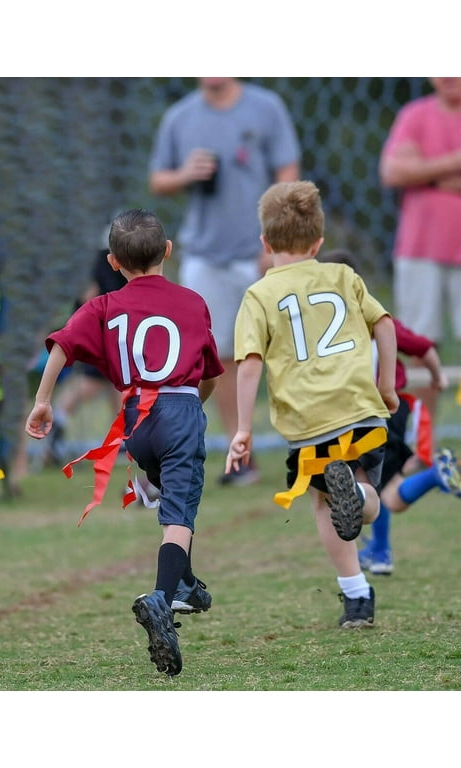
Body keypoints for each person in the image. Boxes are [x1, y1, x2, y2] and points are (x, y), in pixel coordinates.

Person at [25, 209, 223, 677]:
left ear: (113, 262)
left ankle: (186, 584)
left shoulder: (104, 305)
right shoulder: (192, 301)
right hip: (178, 412)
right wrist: (196, 405)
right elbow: (211, 372)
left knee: (168, 498)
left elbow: (61, 347)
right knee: (179, 517)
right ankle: (163, 598)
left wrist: (43, 402)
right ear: (168, 251)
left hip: (136, 421)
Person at [225, 181, 399, 629]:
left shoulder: (260, 295)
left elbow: (248, 364)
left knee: (324, 503)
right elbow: (385, 326)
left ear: (265, 244)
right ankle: (358, 497)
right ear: (319, 242)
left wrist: (242, 429)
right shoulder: (343, 276)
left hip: (310, 423)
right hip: (361, 409)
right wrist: (387, 387)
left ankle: (356, 596)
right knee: (364, 492)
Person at [148, 77, 301, 487]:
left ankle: (310, 444)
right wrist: (185, 174)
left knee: (290, 349)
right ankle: (241, 453)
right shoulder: (180, 116)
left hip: (261, 252)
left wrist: (276, 242)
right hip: (205, 256)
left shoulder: (266, 107)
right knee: (220, 357)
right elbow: (158, 180)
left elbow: (287, 173)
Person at [318, 249, 461, 575]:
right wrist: (437, 376)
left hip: (365, 412)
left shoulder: (325, 328)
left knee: (374, 489)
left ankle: (382, 551)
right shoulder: (380, 318)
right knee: (387, 487)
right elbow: (423, 346)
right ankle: (383, 546)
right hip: (397, 411)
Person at [379, 77, 461, 421]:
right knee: (420, 347)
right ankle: (422, 444)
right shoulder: (414, 115)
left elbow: (409, 171)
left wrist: (424, 170)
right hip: (419, 248)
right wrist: (452, 164)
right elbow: (393, 171)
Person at [46, 245, 126, 466]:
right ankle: (56, 424)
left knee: (116, 382)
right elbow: (89, 293)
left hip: (109, 324)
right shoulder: (95, 257)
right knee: (93, 382)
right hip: (103, 326)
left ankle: (121, 438)